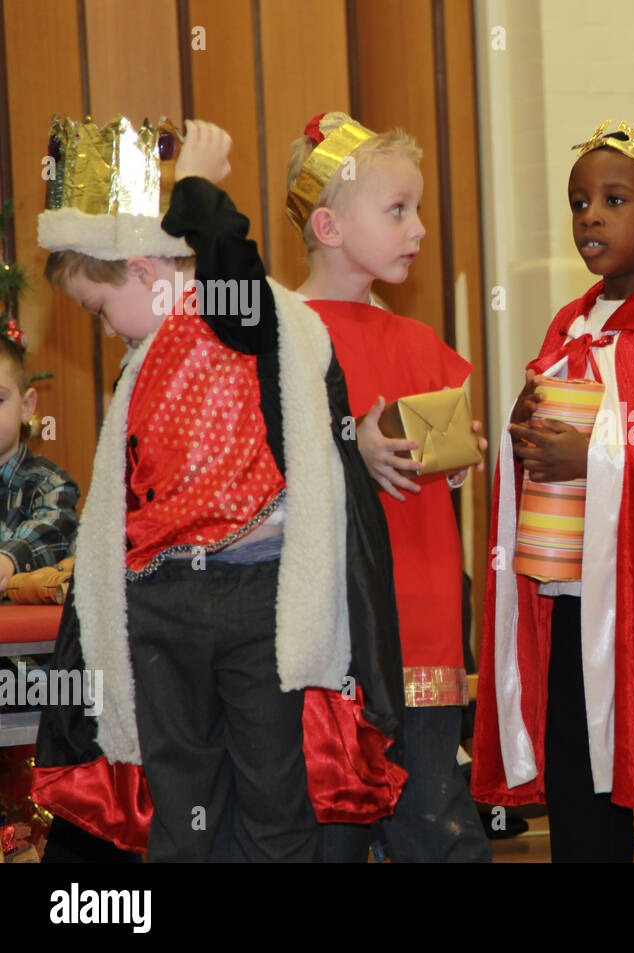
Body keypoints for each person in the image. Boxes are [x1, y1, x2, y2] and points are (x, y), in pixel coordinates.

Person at [32, 117, 405, 861]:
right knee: (181, 805)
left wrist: (198, 187)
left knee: (273, 794)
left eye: (98, 310)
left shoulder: (237, 314)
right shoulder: (139, 369)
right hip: (159, 606)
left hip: (256, 601)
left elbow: (234, 260)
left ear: (142, 270)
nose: (105, 332)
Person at [472, 120, 634, 862]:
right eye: (578, 200)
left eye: (614, 199)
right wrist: (524, 436)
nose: (589, 215)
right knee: (581, 807)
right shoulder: (567, 324)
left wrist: (595, 455)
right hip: (567, 603)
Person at [284, 111, 491, 863]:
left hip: (426, 624)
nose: (420, 229)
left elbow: (451, 439)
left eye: (419, 209)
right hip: (337, 638)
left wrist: (460, 453)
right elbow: (269, 466)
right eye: (398, 210)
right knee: (331, 829)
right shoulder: (289, 335)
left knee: (439, 824)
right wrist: (350, 444)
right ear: (332, 226)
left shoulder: (418, 341)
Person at [0, 329, 79, 590]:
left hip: (38, 627)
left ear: (26, 407)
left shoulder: (49, 483)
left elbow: (52, 527)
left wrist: (8, 559)